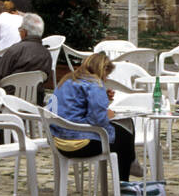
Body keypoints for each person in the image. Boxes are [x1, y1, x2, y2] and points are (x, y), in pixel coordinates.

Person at [49, 52, 135, 184]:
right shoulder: (95, 84)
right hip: (80, 144)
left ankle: (131, 163)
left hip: (58, 142)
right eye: (106, 75)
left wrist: (103, 98)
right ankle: (125, 184)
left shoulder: (66, 80)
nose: (106, 79)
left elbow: (74, 106)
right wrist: (108, 114)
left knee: (122, 136)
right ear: (102, 70)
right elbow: (97, 120)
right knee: (125, 135)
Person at [0, 12, 54, 105]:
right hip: (35, 101)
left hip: (9, 100)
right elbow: (46, 78)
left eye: (20, 29)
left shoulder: (16, 49)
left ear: (24, 32)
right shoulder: (47, 53)